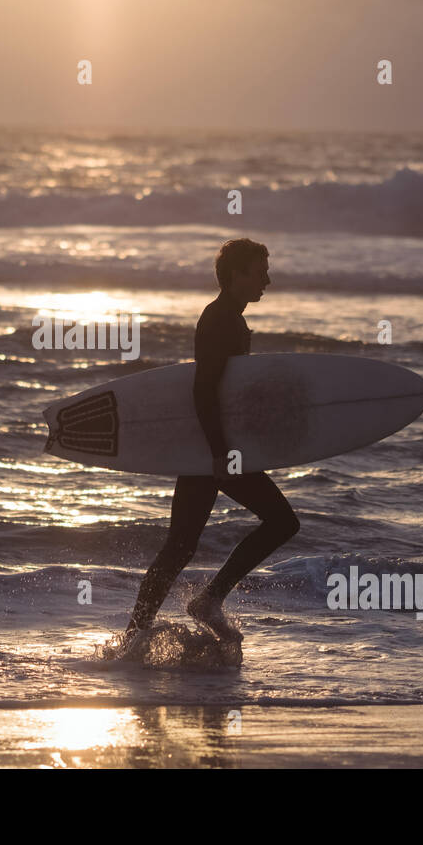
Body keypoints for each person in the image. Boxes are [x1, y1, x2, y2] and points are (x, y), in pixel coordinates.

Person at [122, 238, 300, 645]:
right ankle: (205, 602)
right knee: (281, 522)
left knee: (181, 545)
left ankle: (135, 635)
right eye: (260, 272)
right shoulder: (220, 319)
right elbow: (203, 390)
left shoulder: (230, 317)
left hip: (211, 446)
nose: (267, 281)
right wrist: (220, 453)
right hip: (214, 448)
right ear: (236, 275)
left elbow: (228, 392)